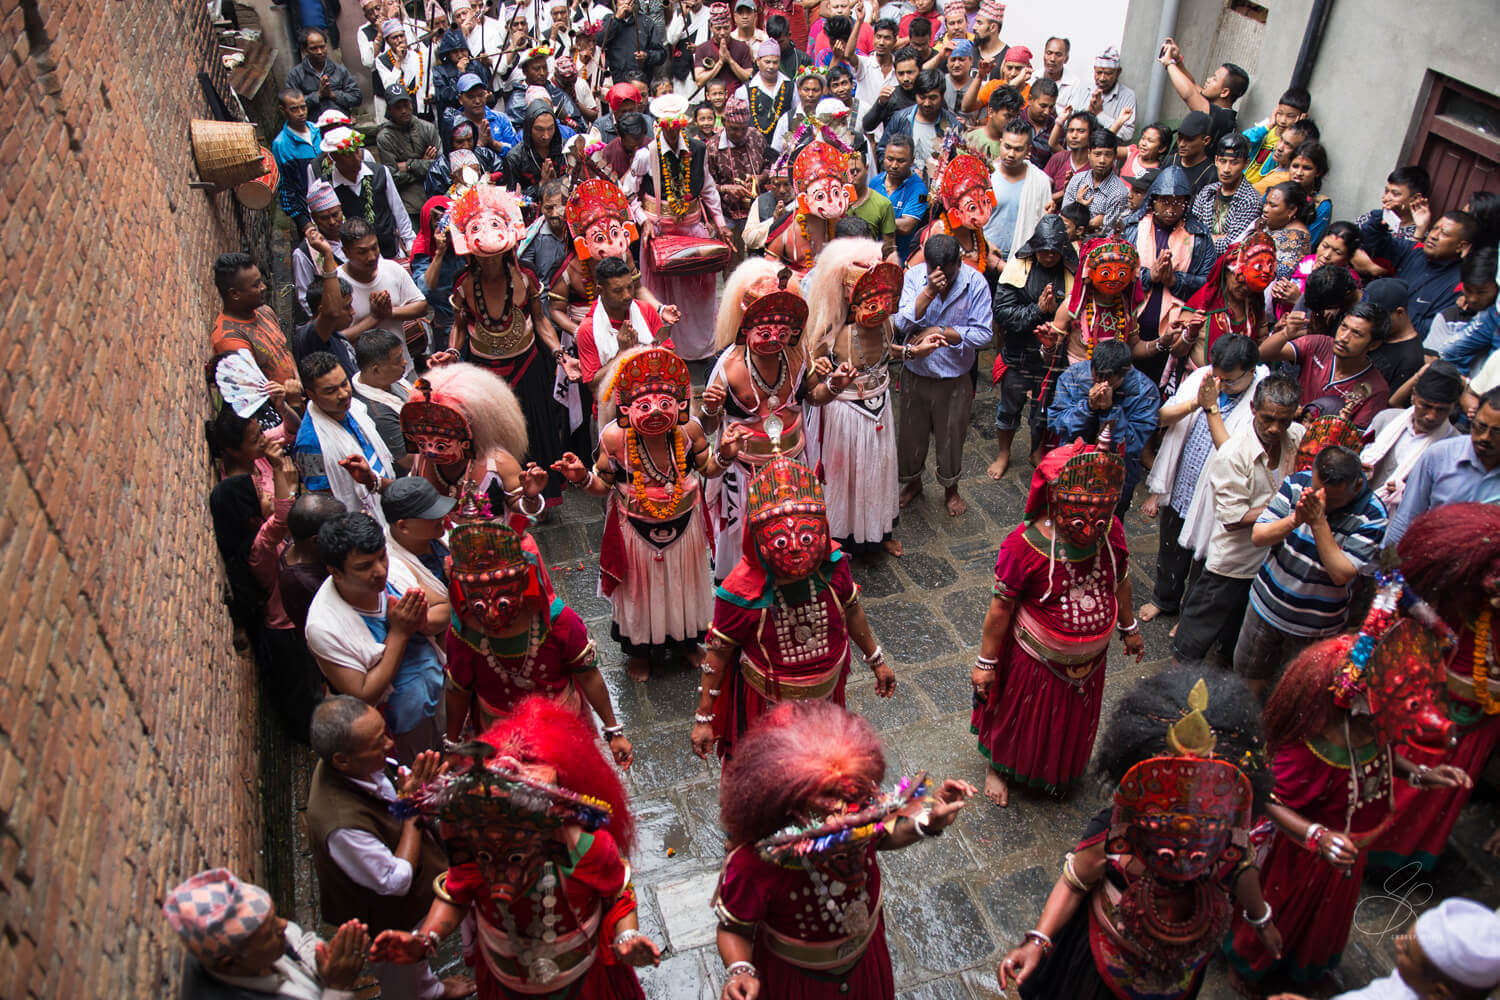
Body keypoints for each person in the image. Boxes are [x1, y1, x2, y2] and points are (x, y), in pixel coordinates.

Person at [999, 669, 1275, 1000]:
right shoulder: (1116, 833)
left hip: (1178, 979)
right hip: (1099, 972)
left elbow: (1242, 871)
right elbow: (1075, 882)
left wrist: (1262, 920)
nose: (1183, 832)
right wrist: (1038, 940)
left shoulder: (1227, 838)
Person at [1223, 616, 1464, 988]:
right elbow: (1267, 797)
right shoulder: (1308, 750)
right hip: (1296, 862)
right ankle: (1245, 968)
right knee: (1280, 917)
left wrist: (1420, 773)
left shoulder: (1370, 728)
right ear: (1354, 705)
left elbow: (1380, 758)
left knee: (1317, 923)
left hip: (1342, 858)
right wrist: (1318, 836)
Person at [371, 698, 661, 998]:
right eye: (487, 846)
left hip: (583, 983)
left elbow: (617, 893)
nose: (498, 868)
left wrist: (627, 935)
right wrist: (425, 940)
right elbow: (458, 892)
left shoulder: (585, 847)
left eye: (515, 848)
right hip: (505, 983)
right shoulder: (472, 844)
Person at [711, 701, 974, 998]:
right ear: (783, 788)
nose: (838, 805)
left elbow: (883, 836)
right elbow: (734, 929)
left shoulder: (860, 811)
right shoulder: (755, 860)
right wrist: (740, 970)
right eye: (823, 793)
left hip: (866, 963)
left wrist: (929, 820)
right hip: (794, 982)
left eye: (845, 789)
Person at [970, 429, 1139, 806]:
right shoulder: (1023, 545)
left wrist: (1128, 627)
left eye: (1101, 516)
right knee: (1019, 716)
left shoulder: (1111, 534)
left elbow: (1121, 579)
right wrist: (986, 663)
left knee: (1067, 724)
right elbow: (1001, 609)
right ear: (1055, 500)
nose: (1091, 528)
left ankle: (1055, 770)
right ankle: (999, 765)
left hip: (1088, 665)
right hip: (1034, 663)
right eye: (1080, 516)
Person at [690, 453, 896, 759]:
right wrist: (704, 717)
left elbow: (851, 610)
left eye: (807, 537)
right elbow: (718, 654)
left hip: (827, 694)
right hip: (767, 705)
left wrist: (876, 659)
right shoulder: (740, 593)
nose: (797, 548)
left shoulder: (835, 566)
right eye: (782, 542)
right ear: (759, 542)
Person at [555, 347, 740, 682]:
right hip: (636, 529)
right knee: (639, 590)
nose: (656, 411)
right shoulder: (614, 437)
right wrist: (581, 477)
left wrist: (725, 455)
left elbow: (708, 470)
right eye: (644, 406)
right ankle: (640, 651)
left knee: (687, 585)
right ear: (626, 410)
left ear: (681, 406)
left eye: (665, 404)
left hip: (685, 527)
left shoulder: (690, 432)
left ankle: (686, 642)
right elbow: (602, 487)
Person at [304, 697, 470, 1000]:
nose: (389, 743)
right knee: (402, 975)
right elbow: (396, 881)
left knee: (415, 966)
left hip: (417, 883)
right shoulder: (341, 825)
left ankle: (432, 989)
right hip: (388, 913)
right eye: (377, 741)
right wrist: (409, 808)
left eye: (384, 733)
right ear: (342, 760)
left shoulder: (354, 766)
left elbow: (390, 789)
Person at [440, 516, 632, 764]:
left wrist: (613, 730)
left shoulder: (559, 622)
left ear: (524, 583)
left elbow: (588, 674)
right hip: (497, 738)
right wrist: (453, 745)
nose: (490, 611)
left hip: (562, 731)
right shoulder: (462, 633)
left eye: (501, 594)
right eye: (477, 598)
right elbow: (458, 690)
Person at [440, 183, 570, 506]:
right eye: (483, 258)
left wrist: (558, 352)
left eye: (496, 256)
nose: (490, 262)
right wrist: (453, 353)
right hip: (484, 373)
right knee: (487, 436)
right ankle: (497, 495)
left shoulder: (524, 278)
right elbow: (459, 326)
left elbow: (540, 320)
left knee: (535, 431)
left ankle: (539, 495)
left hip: (527, 367)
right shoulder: (464, 285)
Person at [1170, 372, 1303, 669]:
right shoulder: (1233, 454)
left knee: (1238, 633)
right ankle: (1174, 686)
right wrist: (1286, 508)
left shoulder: (1297, 437)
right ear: (1254, 409)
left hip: (1269, 560)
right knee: (1197, 631)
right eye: (1268, 418)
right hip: (1233, 561)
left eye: (1283, 421)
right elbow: (1233, 519)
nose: (1274, 428)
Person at [1234, 445, 1388, 697]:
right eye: (1317, 490)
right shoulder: (1298, 484)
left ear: (1357, 486)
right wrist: (1295, 519)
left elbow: (1341, 573)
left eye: (1333, 499)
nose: (1322, 500)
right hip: (1265, 608)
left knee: (1295, 692)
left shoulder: (1372, 515)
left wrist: (1318, 521)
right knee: (1248, 681)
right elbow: (1259, 536)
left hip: (1316, 627)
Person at [701, 262, 818, 581]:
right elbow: (707, 430)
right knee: (746, 555)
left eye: (782, 333)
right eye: (764, 333)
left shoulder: (797, 357)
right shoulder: (729, 368)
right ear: (744, 328)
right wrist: (711, 410)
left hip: (792, 471)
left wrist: (832, 384)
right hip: (744, 476)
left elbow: (813, 397)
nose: (773, 340)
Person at [305, 511, 449, 762]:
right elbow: (363, 693)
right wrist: (400, 632)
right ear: (335, 572)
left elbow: (444, 608)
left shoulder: (393, 572)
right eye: (364, 567)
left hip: (437, 692)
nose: (380, 571)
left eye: (382, 557)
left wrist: (422, 623)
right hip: (401, 724)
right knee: (421, 776)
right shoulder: (324, 626)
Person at [1141, 334, 1263, 623]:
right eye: (1217, 376)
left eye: (1230, 381)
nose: (1222, 385)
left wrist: (1211, 408)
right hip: (1183, 482)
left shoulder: (1261, 398)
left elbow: (1233, 456)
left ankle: (1189, 618)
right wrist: (1197, 401)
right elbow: (1162, 417)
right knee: (1170, 549)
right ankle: (1164, 599)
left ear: (1251, 372)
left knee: (1203, 559)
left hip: (1216, 497)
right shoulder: (1202, 380)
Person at [804, 241, 905, 555]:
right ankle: (841, 537)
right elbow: (808, 379)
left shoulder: (886, 322)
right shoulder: (831, 330)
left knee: (880, 467)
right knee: (843, 474)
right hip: (845, 411)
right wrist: (817, 369)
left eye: (880, 296)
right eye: (868, 297)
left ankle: (880, 531)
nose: (876, 305)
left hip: (880, 406)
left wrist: (918, 350)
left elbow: (895, 352)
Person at [892, 234, 992, 517]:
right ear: (928, 266)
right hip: (916, 372)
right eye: (936, 274)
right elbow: (901, 322)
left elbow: (984, 333)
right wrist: (929, 293)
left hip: (955, 377)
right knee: (911, 435)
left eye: (949, 274)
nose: (944, 280)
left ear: (958, 264)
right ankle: (913, 484)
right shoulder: (914, 278)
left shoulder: (976, 283)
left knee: (951, 438)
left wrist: (940, 331)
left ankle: (951, 489)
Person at [627, 94, 732, 362]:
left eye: (677, 127)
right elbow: (628, 193)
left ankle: (701, 352)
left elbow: (707, 188)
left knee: (700, 292)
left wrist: (720, 224)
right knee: (662, 294)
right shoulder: (645, 155)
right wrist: (644, 220)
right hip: (660, 233)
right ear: (660, 126)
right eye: (668, 127)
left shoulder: (697, 149)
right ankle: (665, 349)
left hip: (692, 229)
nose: (673, 132)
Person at [163, 867, 370, 999]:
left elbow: (295, 938)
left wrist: (320, 961)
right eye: (268, 933)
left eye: (274, 916)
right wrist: (337, 988)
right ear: (230, 963)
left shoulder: (217, 944)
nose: (283, 926)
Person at [400, 362, 550, 526]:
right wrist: (374, 483)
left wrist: (530, 497)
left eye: (441, 445)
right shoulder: (420, 460)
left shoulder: (497, 464)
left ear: (470, 433)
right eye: (422, 443)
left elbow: (528, 510)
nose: (430, 452)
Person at [989, 215, 1076, 480]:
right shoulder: (1018, 266)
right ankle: (1004, 453)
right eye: (1043, 250)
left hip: (1053, 359)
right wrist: (1038, 310)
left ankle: (1035, 450)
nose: (1049, 256)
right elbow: (1003, 314)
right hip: (1019, 354)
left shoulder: (1072, 270)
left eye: (1054, 251)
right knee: (1009, 408)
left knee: (1044, 412)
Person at [1123, 165, 1215, 382]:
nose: (1172, 209)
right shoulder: (1131, 226)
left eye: (1178, 202)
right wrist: (1148, 276)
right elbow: (1113, 270)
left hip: (1174, 329)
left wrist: (1175, 280)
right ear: (1153, 201)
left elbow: (1208, 283)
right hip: (1131, 320)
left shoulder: (1199, 235)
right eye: (1165, 202)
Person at [1049, 339, 1160, 516]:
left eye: (1109, 382)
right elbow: (1058, 425)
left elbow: (1131, 445)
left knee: (1108, 526)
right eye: (1096, 378)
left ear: (1124, 374)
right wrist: (1087, 407)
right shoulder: (1073, 376)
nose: (1101, 386)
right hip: (1072, 468)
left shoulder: (1145, 393)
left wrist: (1111, 411)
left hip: (1114, 479)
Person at [1385, 387, 1500, 546]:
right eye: (1480, 426)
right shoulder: (1439, 456)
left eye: (1497, 432)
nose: (1485, 437)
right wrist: (1389, 564)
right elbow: (1406, 517)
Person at [1259, 299, 1392, 430]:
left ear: (1374, 344)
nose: (1344, 338)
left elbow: (1354, 440)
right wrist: (1286, 333)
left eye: (1356, 333)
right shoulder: (1320, 344)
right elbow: (1263, 354)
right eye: (1344, 327)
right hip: (1284, 429)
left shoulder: (1376, 389)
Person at [1361, 208, 1476, 337]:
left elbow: (1429, 329)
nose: (1433, 236)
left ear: (1461, 246)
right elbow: (1374, 244)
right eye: (1434, 228)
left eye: (1444, 233)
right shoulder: (1414, 250)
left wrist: (1393, 310)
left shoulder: (1459, 286)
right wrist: (1381, 218)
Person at [337, 217, 428, 377]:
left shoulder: (392, 269)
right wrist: (374, 318)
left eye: (374, 247)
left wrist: (389, 313)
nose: (371, 256)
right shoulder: (337, 284)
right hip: (365, 378)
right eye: (362, 252)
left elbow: (421, 306)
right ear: (346, 252)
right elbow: (338, 338)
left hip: (404, 371)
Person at [321, 129, 416, 262]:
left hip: (390, 252)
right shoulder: (327, 186)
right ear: (334, 157)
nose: (356, 158)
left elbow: (398, 210)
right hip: (357, 261)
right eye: (348, 155)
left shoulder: (380, 172)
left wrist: (410, 243)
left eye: (357, 151)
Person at [766, 139, 853, 278]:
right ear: (803, 196)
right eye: (820, 195)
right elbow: (769, 270)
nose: (829, 202)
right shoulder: (784, 230)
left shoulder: (843, 224)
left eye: (834, 192)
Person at [212, 252, 298, 387]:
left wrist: (298, 383)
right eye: (256, 285)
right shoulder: (230, 338)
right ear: (235, 294)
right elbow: (253, 390)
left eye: (261, 281)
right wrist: (289, 397)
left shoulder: (264, 311)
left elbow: (285, 351)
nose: (263, 287)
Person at [974, 120, 1051, 265]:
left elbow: (1042, 224)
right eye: (1007, 147)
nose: (1011, 154)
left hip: (1022, 261)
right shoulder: (985, 176)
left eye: (1018, 149)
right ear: (1001, 142)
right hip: (984, 255)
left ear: (1028, 150)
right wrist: (984, 246)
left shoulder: (1039, 181)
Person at [876, 69, 959, 181]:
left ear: (942, 96)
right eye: (922, 97)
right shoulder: (901, 119)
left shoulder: (952, 125)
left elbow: (958, 164)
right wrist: (902, 170)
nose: (927, 103)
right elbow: (882, 150)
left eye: (932, 98)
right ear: (915, 95)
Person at [1156, 38, 1246, 141]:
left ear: (1224, 92)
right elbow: (1192, 85)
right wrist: (1177, 60)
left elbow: (1189, 95)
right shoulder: (1213, 106)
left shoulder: (1222, 118)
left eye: (1214, 79)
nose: (1208, 80)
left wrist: (1169, 63)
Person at [352, 328, 413, 471]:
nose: (404, 362)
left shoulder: (390, 380)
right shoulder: (378, 414)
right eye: (398, 360)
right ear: (376, 370)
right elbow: (407, 460)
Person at [376, 86, 440, 220]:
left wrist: (410, 165)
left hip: (435, 197)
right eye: (398, 107)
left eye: (406, 105)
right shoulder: (385, 137)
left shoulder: (427, 128)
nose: (404, 111)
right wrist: (424, 164)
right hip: (408, 205)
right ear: (390, 110)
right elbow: (393, 176)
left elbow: (440, 165)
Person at [1191, 132, 1259, 256]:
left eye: (1234, 162)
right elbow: (1190, 233)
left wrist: (1200, 238)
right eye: (1223, 161)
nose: (1226, 169)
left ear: (1246, 163)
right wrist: (1217, 238)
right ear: (1216, 160)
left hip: (1222, 268)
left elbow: (1230, 247)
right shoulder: (1208, 191)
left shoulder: (1250, 200)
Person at [381, 476, 454, 589]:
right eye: (432, 514)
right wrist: (457, 583)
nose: (442, 517)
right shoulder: (395, 572)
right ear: (403, 526)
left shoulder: (434, 533)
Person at [293, 182, 348, 324]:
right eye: (324, 218)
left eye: (336, 215)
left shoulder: (353, 234)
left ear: (341, 209)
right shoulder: (303, 253)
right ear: (313, 218)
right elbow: (305, 298)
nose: (332, 222)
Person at [1362, 277, 1426, 397]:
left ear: (1400, 312)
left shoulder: (1410, 359)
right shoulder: (1377, 334)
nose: (1372, 322)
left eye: (1378, 318)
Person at [272, 89, 323, 232]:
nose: (301, 113)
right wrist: (303, 222)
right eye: (294, 109)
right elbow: (286, 186)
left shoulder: (317, 130)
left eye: (303, 107)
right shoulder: (282, 144)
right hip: (309, 210)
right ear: (283, 110)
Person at [871, 134, 928, 261]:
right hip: (873, 259)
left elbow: (906, 226)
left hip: (902, 262)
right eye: (889, 159)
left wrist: (872, 218)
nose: (894, 165)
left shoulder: (920, 190)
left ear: (912, 161)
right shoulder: (875, 181)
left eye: (901, 161)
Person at [1242, 86, 1310, 189]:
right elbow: (1244, 140)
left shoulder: (1289, 143)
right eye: (1280, 113)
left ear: (1302, 117)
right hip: (1242, 179)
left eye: (1290, 116)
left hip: (1259, 187)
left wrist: (1297, 129)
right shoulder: (1267, 129)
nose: (1283, 120)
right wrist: (1267, 127)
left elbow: (1282, 161)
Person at [1062, 128, 1129, 232]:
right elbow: (1064, 220)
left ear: (1115, 156)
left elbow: (1107, 230)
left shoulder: (1119, 192)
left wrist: (1076, 220)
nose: (1102, 160)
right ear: (1089, 153)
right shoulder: (1077, 180)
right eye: (1097, 154)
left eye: (1108, 155)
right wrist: (1081, 209)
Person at [285, 29, 361, 119]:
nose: (320, 52)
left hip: (340, 125)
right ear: (304, 50)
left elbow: (356, 98)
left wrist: (333, 95)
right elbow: (292, 105)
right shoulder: (295, 75)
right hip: (313, 128)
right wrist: (318, 95)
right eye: (314, 48)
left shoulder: (340, 70)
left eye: (322, 47)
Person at [844, 142, 897, 257]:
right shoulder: (834, 204)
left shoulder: (883, 204)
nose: (852, 176)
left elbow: (889, 247)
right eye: (847, 172)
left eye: (856, 171)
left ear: (867, 168)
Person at [861, 45, 920, 138]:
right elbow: (867, 126)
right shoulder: (890, 96)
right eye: (901, 74)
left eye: (910, 73)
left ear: (920, 71)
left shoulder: (929, 96)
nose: (905, 79)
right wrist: (880, 104)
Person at [1078, 46, 1135, 141]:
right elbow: (1068, 123)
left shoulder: (1127, 96)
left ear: (1118, 72)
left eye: (1108, 73)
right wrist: (1088, 112)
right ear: (1094, 69)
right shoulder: (1083, 89)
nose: (1102, 78)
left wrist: (1100, 115)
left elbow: (1127, 135)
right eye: (1099, 72)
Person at [601, 0, 666, 83]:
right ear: (616, 3)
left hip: (640, 80)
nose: (626, 3)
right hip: (615, 79)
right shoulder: (609, 19)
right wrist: (616, 19)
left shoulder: (646, 23)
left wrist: (647, 56)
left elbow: (661, 54)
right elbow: (600, 41)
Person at [1042, 109, 1094, 202]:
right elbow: (1041, 196)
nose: (1074, 135)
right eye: (1071, 130)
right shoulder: (1058, 158)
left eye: (1081, 131)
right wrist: (1065, 192)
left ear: (1092, 135)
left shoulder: (1098, 165)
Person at [1167, 109, 1215, 195]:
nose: (1181, 144)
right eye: (1180, 137)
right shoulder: (1170, 161)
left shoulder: (1211, 174)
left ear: (1205, 140)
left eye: (1189, 139)